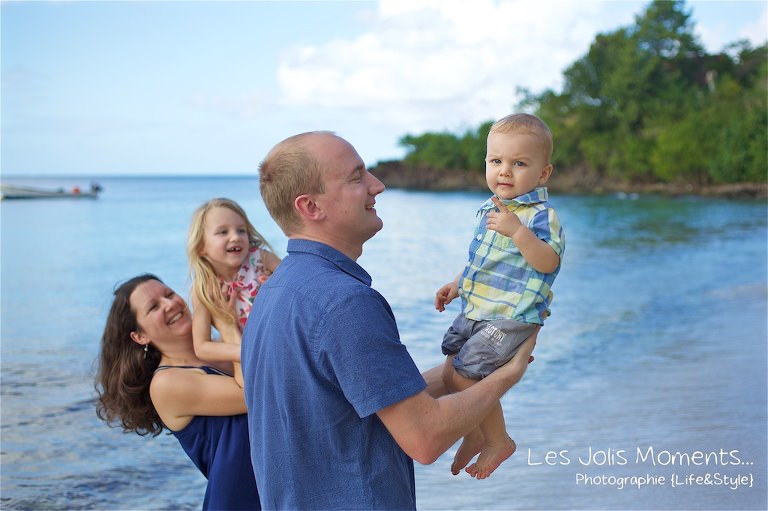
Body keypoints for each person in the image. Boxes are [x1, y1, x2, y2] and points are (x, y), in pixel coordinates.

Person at [241, 131, 539, 510]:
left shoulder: (275, 291)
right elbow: (426, 437)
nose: (377, 186)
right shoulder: (345, 303)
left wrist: (455, 374)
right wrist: (506, 377)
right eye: (356, 177)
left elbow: (357, 405)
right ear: (311, 207)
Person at [435, 113, 565, 479]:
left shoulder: (541, 216)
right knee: (450, 371)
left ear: (543, 173)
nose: (504, 171)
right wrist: (457, 284)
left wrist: (519, 233)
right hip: (479, 307)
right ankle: (476, 432)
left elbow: (548, 262)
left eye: (519, 163)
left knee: (464, 376)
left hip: (511, 314)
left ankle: (496, 439)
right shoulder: (490, 208)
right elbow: (484, 261)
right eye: (496, 161)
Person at [94, 274, 260, 510]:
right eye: (154, 307)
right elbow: (255, 395)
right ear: (140, 336)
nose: (170, 304)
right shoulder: (167, 383)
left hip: (278, 488)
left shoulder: (219, 349)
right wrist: (225, 321)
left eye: (169, 294)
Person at [187, 198, 280, 362]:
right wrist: (248, 354)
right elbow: (202, 347)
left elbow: (298, 285)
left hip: (284, 340)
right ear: (201, 247)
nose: (235, 237)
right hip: (254, 359)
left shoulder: (261, 259)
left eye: (241, 230)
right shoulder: (204, 289)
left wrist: (279, 287)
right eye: (223, 232)